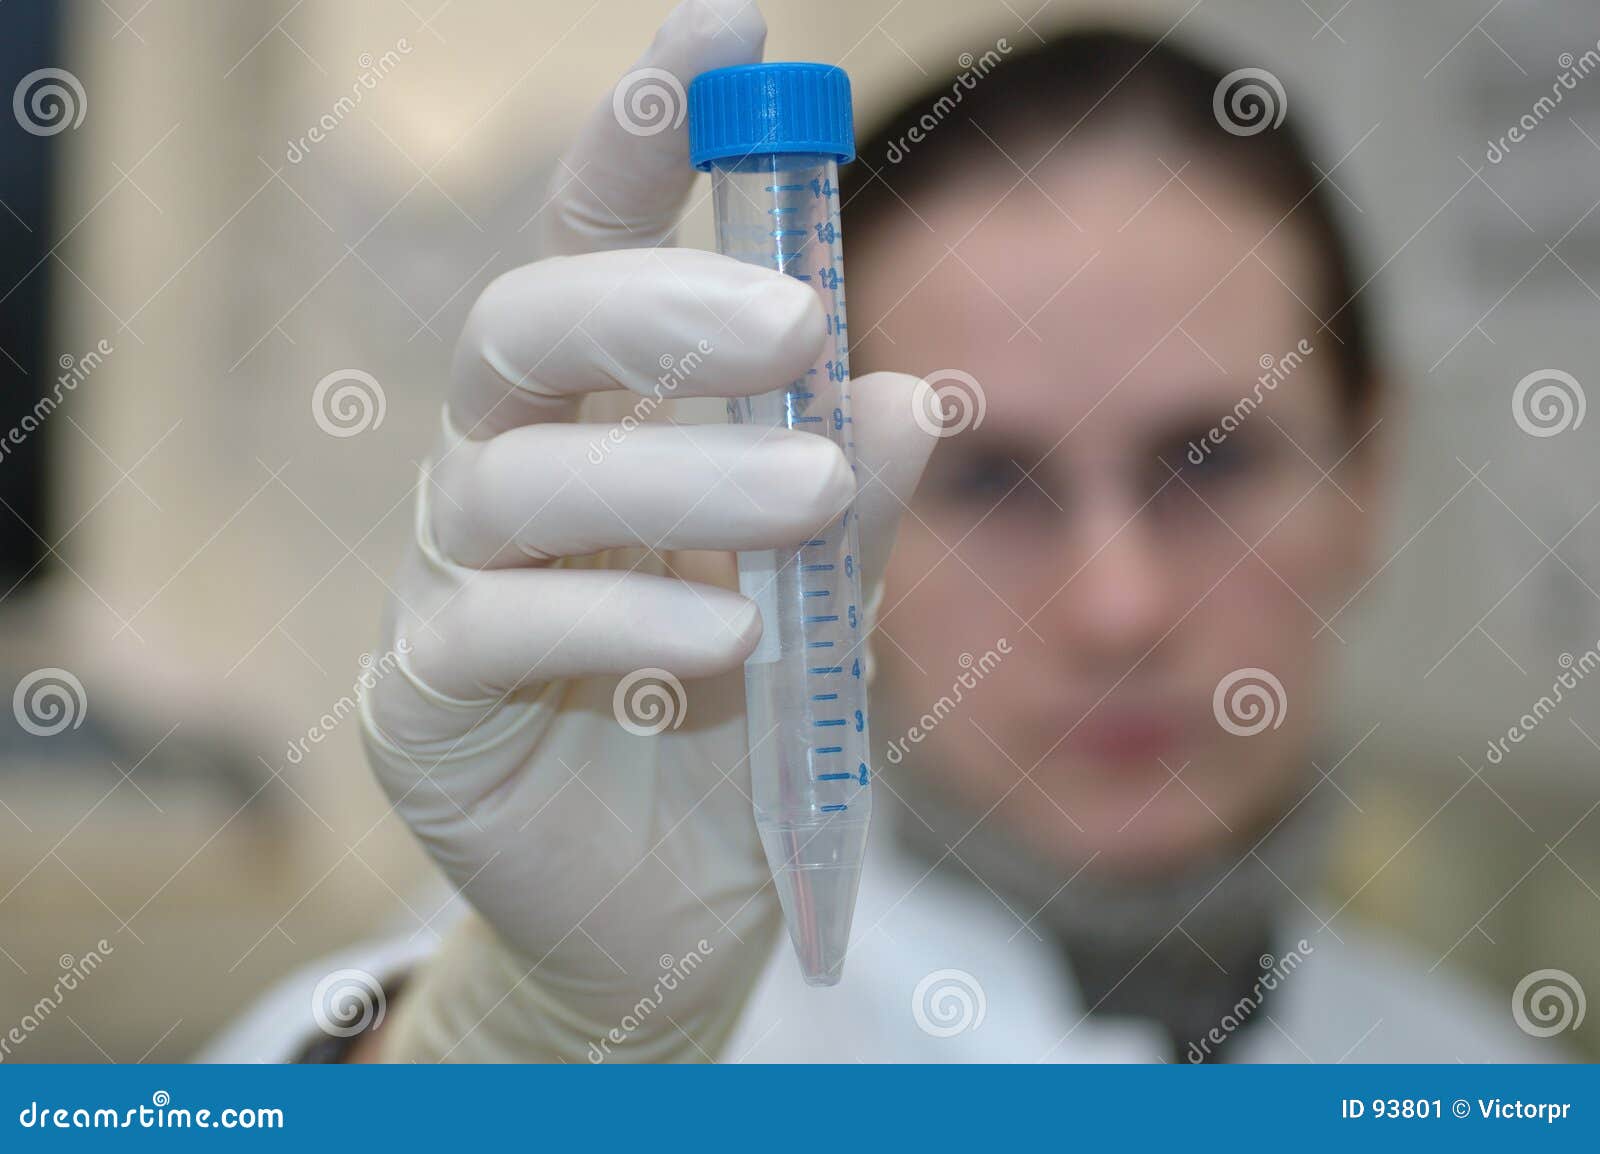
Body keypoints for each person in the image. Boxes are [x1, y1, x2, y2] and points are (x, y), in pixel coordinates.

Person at [204, 0, 1550, 1063]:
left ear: (1367, 473)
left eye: (1212, 460)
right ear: (824, 520)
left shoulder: (1479, 1076)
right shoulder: (583, 1003)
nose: (1118, 606)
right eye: (988, 484)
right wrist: (501, 1064)